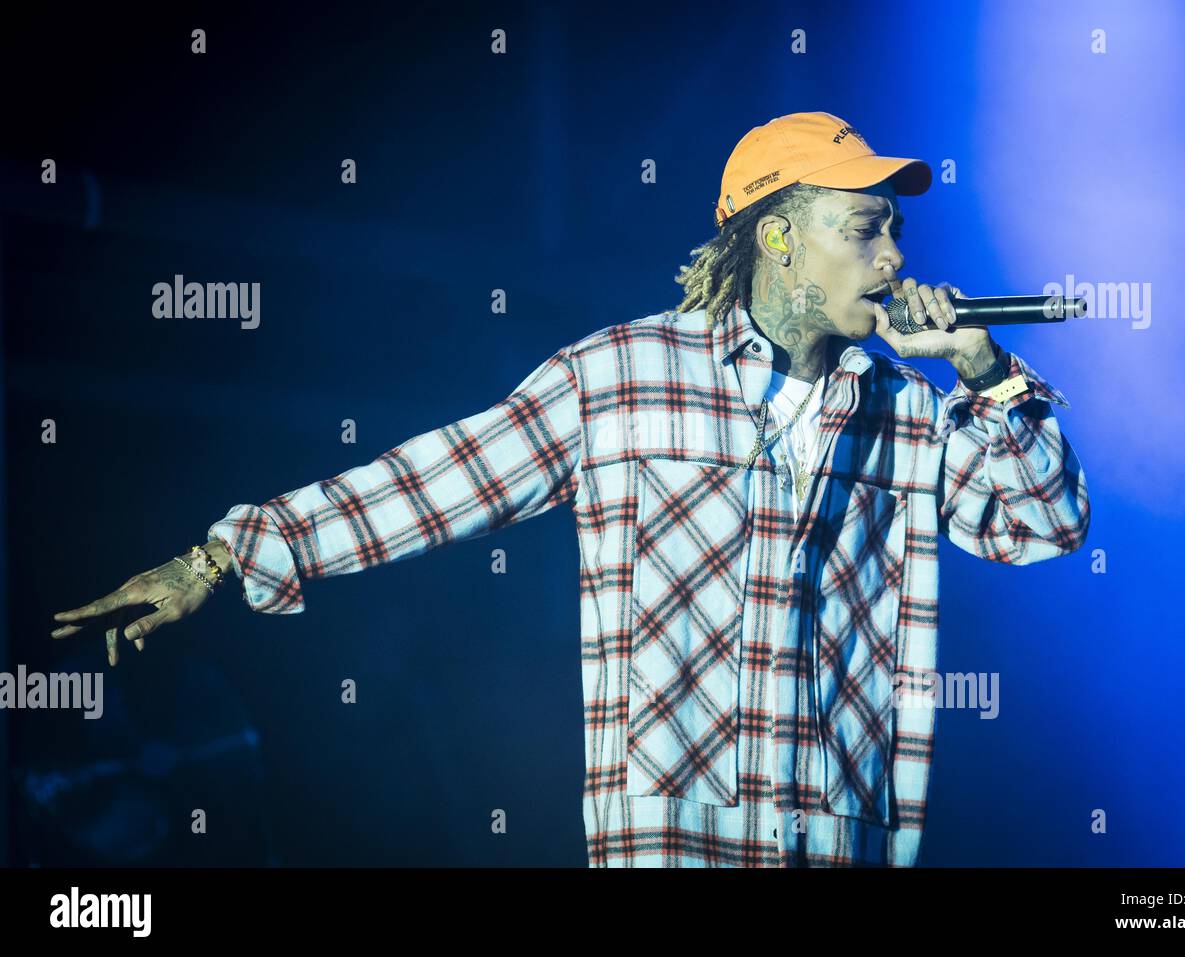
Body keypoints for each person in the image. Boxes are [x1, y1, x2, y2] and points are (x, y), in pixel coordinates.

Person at [51, 111, 1090, 867]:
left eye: (894, 233)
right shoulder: (621, 377)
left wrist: (987, 374)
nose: (894, 256)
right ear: (778, 234)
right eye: (863, 228)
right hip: (673, 841)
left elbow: (1046, 528)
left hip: (840, 840)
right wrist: (219, 556)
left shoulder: (909, 412)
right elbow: (440, 479)